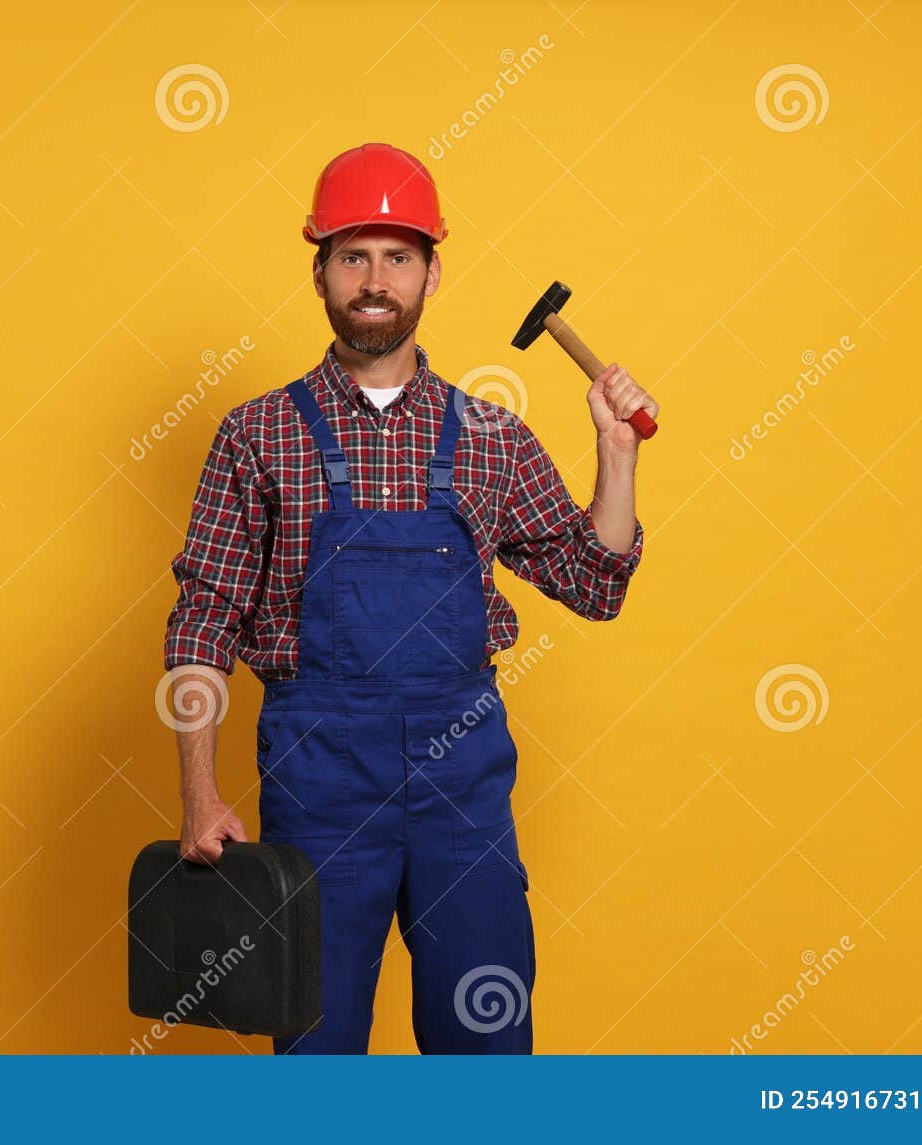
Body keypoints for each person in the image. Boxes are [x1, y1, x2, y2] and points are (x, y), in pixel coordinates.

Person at [162, 142, 657, 1054]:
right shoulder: (256, 433)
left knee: (486, 1048)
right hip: (319, 784)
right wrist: (199, 792)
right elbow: (202, 622)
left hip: (460, 788)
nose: (376, 278)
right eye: (354, 255)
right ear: (320, 272)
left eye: (398, 255)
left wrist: (617, 456)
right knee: (315, 1044)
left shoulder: (493, 437)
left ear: (433, 271)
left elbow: (594, 583)